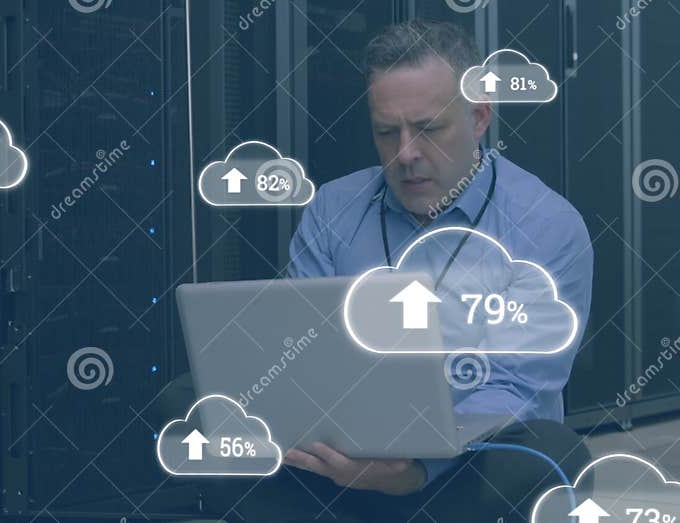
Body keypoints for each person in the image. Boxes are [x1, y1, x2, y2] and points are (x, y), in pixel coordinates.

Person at [178, 20, 594, 523]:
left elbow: (516, 387)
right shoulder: (334, 207)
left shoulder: (546, 225)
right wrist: (317, 429)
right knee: (187, 402)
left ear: (479, 117)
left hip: (463, 463)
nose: (406, 154)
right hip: (337, 449)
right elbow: (298, 344)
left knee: (554, 449)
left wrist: (414, 466)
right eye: (385, 131)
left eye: (428, 128)